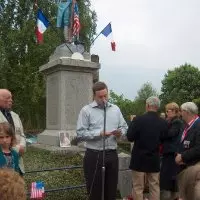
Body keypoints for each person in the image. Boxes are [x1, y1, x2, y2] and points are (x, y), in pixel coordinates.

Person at [76, 81, 128, 200]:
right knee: (95, 191)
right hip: (94, 155)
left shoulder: (115, 109)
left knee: (111, 191)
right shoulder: (86, 111)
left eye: (106, 96)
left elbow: (125, 127)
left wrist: (121, 133)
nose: (104, 99)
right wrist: (98, 134)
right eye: (100, 97)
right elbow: (80, 133)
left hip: (112, 154)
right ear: (94, 96)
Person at [127, 96, 168, 200]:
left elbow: (130, 137)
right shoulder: (163, 122)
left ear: (147, 105)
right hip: (154, 157)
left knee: (138, 187)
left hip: (138, 158)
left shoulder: (138, 120)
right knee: (154, 186)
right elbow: (164, 139)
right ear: (157, 107)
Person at [175, 102, 200, 198]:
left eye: (181, 111)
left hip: (193, 169)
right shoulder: (187, 125)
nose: (180, 113)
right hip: (185, 166)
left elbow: (198, 148)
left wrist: (183, 156)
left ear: (187, 112)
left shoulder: (198, 125)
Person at [160, 102, 183, 200]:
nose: (166, 113)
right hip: (169, 152)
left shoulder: (177, 122)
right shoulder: (172, 121)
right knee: (169, 178)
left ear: (174, 111)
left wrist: (163, 126)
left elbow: (170, 134)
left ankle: (171, 197)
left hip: (171, 153)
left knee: (168, 178)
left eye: (168, 111)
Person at [0, 89, 26, 175]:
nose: (11, 100)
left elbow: (22, 134)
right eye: (8, 98)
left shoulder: (15, 115)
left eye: (11, 98)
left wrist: (22, 146)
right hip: (2, 163)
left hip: (18, 162)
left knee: (16, 185)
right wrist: (16, 149)